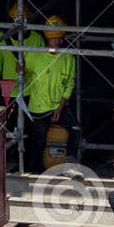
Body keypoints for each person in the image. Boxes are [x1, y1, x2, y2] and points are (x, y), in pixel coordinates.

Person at [21, 14, 75, 171]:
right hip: (39, 106)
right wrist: (21, 70)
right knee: (38, 138)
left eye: (60, 38)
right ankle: (35, 168)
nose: (57, 42)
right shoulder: (34, 55)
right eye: (54, 39)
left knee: (75, 128)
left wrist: (59, 108)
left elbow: (70, 84)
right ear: (47, 39)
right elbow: (25, 75)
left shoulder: (69, 58)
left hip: (59, 105)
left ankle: (70, 163)